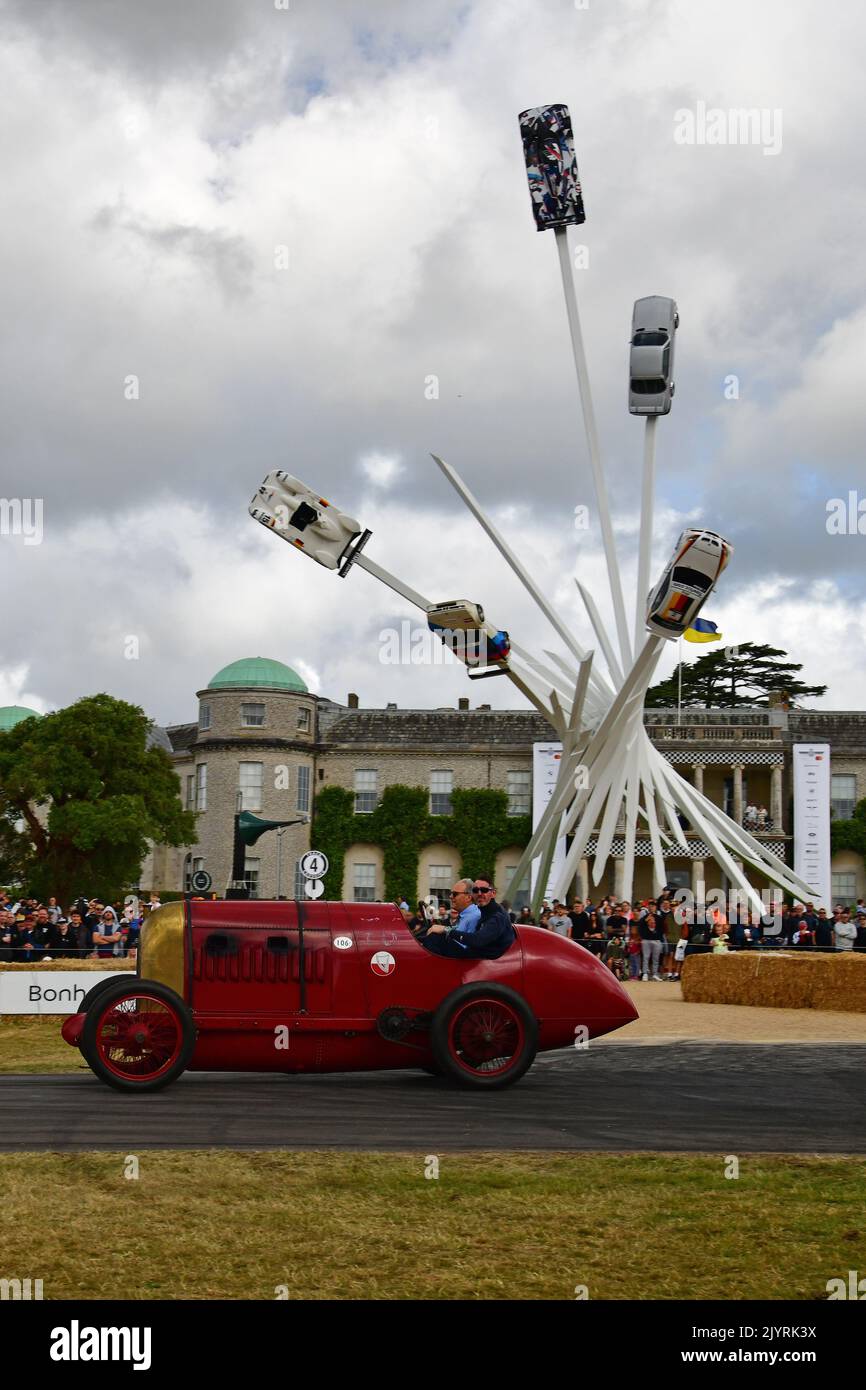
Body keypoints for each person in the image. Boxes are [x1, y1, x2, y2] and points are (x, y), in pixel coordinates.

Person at [423, 875, 516, 959]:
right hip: (478, 958)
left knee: (434, 939)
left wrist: (446, 929)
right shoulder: (484, 910)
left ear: (493, 893)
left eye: (484, 890)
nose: (479, 893)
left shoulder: (497, 916)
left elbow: (478, 940)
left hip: (483, 962)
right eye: (475, 890)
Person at [639, 911, 665, 980]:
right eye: (650, 922)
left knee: (656, 959)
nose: (652, 923)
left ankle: (655, 974)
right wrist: (645, 920)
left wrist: (658, 936)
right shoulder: (644, 925)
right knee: (645, 957)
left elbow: (662, 929)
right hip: (646, 941)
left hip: (657, 941)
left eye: (654, 922)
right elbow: (640, 924)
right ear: (647, 923)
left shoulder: (658, 927)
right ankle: (645, 974)